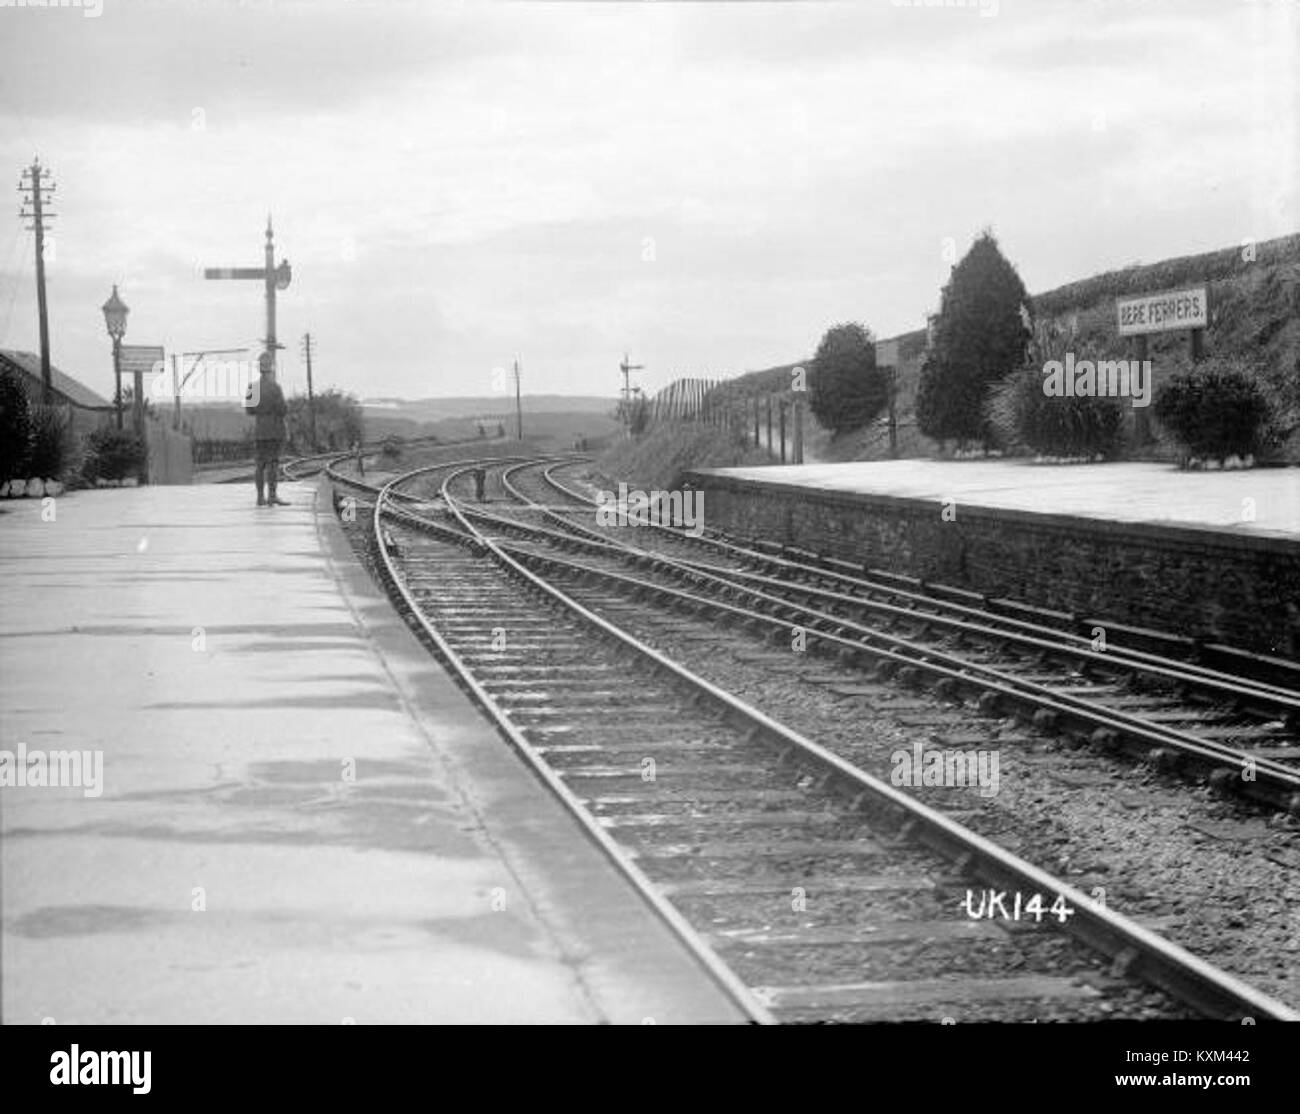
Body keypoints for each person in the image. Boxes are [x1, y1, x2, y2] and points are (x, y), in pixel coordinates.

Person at [244, 352, 289, 507]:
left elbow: (249, 411)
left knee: (260, 465)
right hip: (275, 430)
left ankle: (259, 497)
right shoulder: (275, 387)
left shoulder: (252, 387)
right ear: (271, 368)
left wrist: (260, 411)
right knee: (273, 464)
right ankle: (272, 496)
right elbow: (283, 409)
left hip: (260, 430)